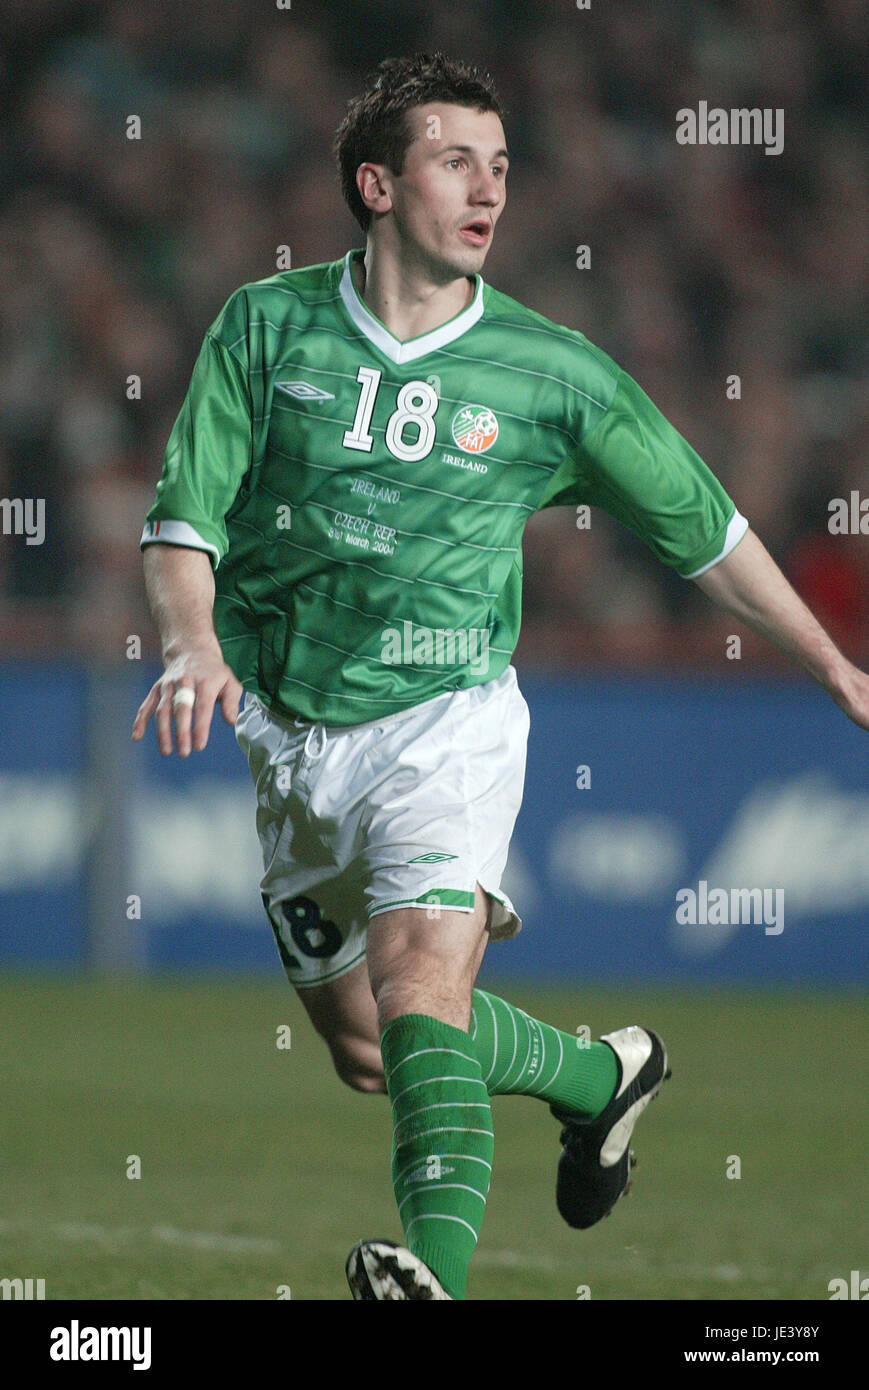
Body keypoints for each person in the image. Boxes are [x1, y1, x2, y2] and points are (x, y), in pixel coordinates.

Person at [133, 53, 869, 1301]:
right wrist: (192, 643)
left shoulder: (553, 374)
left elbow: (709, 531)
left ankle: (433, 1276)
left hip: (445, 723)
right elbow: (182, 524)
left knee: (419, 981)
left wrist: (835, 664)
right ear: (376, 184)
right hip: (287, 728)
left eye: (502, 167)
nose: (489, 191)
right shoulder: (264, 328)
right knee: (372, 1049)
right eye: (455, 161)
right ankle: (601, 1075)